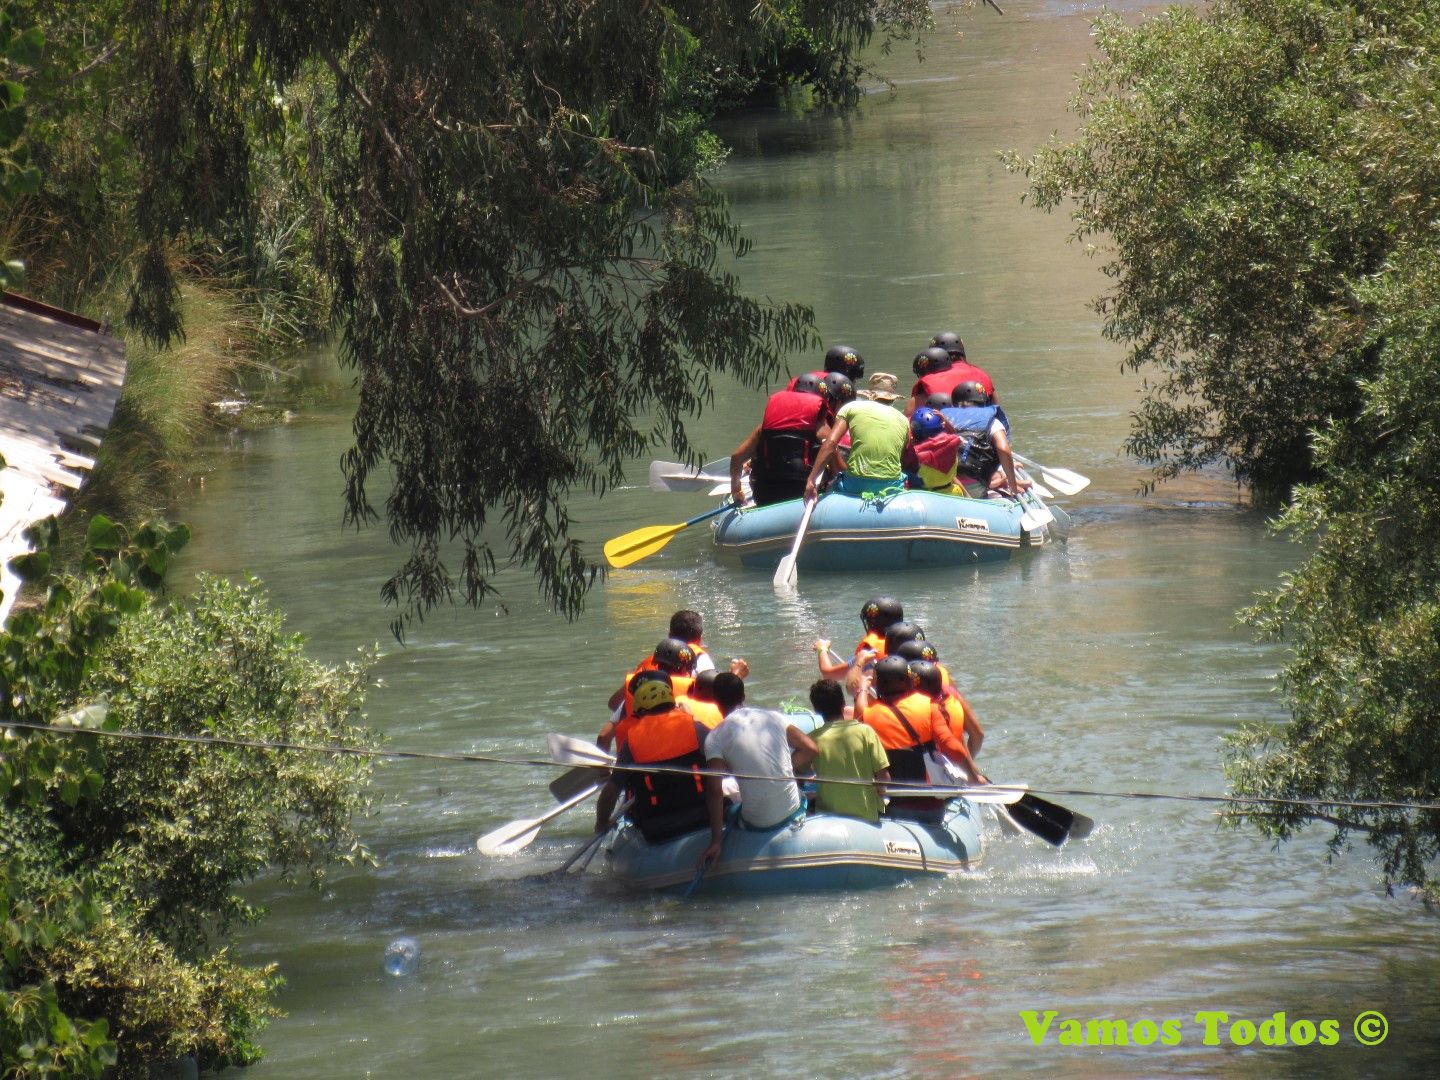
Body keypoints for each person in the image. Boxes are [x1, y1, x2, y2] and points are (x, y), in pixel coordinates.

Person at [594, 678, 720, 846]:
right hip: (703, 816)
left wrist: (601, 824)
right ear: (672, 704)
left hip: (657, 828)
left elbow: (610, 794)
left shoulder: (632, 742)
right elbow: (724, 760)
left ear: (640, 711)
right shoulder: (696, 727)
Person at [700, 675, 818, 848]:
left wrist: (715, 841)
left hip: (758, 823)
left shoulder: (715, 737)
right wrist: (782, 768)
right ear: (743, 695)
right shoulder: (774, 717)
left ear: (715, 700)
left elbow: (714, 790)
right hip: (794, 810)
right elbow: (811, 748)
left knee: (729, 810)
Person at [855, 656, 944, 821]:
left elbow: (859, 713)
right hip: (932, 807)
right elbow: (949, 744)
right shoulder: (928, 704)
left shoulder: (869, 715)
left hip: (892, 807)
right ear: (909, 682)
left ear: (878, 685)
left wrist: (862, 689)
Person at [729, 373, 832, 506]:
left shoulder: (763, 428)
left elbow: (736, 457)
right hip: (803, 493)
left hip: (764, 494)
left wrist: (736, 490)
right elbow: (833, 454)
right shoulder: (821, 428)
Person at [807, 678, 890, 822]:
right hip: (866, 816)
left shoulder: (811, 740)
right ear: (844, 703)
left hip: (827, 818)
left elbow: (801, 773)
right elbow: (884, 778)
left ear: (816, 710)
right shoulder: (865, 732)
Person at [803, 392, 910, 502]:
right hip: (891, 486)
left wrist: (811, 480)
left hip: (854, 484)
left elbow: (831, 443)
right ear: (893, 400)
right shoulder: (904, 419)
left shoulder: (850, 408)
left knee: (831, 486)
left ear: (870, 396)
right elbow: (900, 458)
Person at [599, 637, 697, 751]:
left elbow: (603, 736)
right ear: (685, 669)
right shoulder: (695, 693)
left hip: (632, 756)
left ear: (657, 665)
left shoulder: (639, 691)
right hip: (678, 757)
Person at [942, 381, 1029, 498]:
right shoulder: (993, 422)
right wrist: (1012, 485)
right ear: (984, 402)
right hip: (973, 487)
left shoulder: (943, 419)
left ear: (954, 404)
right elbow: (1003, 449)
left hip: (943, 484)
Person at [911, 660, 987, 784]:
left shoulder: (926, 711)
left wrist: (972, 777)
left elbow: (950, 745)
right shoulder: (952, 699)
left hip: (935, 778)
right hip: (961, 770)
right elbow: (977, 735)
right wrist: (972, 773)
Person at [904, 335, 997, 417]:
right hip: (983, 424)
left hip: (946, 425)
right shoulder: (981, 373)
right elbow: (996, 409)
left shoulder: (930, 380)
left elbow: (909, 420)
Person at [815, 595, 904, 680]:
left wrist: (822, 649)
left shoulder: (869, 649)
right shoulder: (905, 643)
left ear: (871, 623)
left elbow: (829, 675)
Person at [903, 406, 964, 492]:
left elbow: (905, 462)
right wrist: (946, 422)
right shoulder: (953, 442)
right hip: (953, 491)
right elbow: (953, 433)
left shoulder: (917, 453)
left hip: (929, 494)